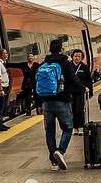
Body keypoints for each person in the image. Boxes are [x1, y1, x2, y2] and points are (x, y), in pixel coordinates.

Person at [36, 37, 84, 170]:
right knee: (68, 129)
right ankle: (60, 151)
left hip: (46, 102)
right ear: (61, 49)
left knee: (49, 131)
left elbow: (38, 86)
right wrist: (82, 89)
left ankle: (53, 162)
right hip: (62, 101)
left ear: (50, 50)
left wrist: (39, 104)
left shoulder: (43, 64)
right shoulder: (65, 63)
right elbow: (74, 80)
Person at [69, 48, 93, 135]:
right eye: (75, 56)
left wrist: (90, 91)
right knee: (72, 110)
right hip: (71, 92)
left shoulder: (84, 67)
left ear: (82, 57)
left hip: (81, 92)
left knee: (79, 110)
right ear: (72, 57)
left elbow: (89, 80)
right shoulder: (69, 66)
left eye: (79, 56)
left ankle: (81, 126)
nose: (77, 58)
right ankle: (74, 127)